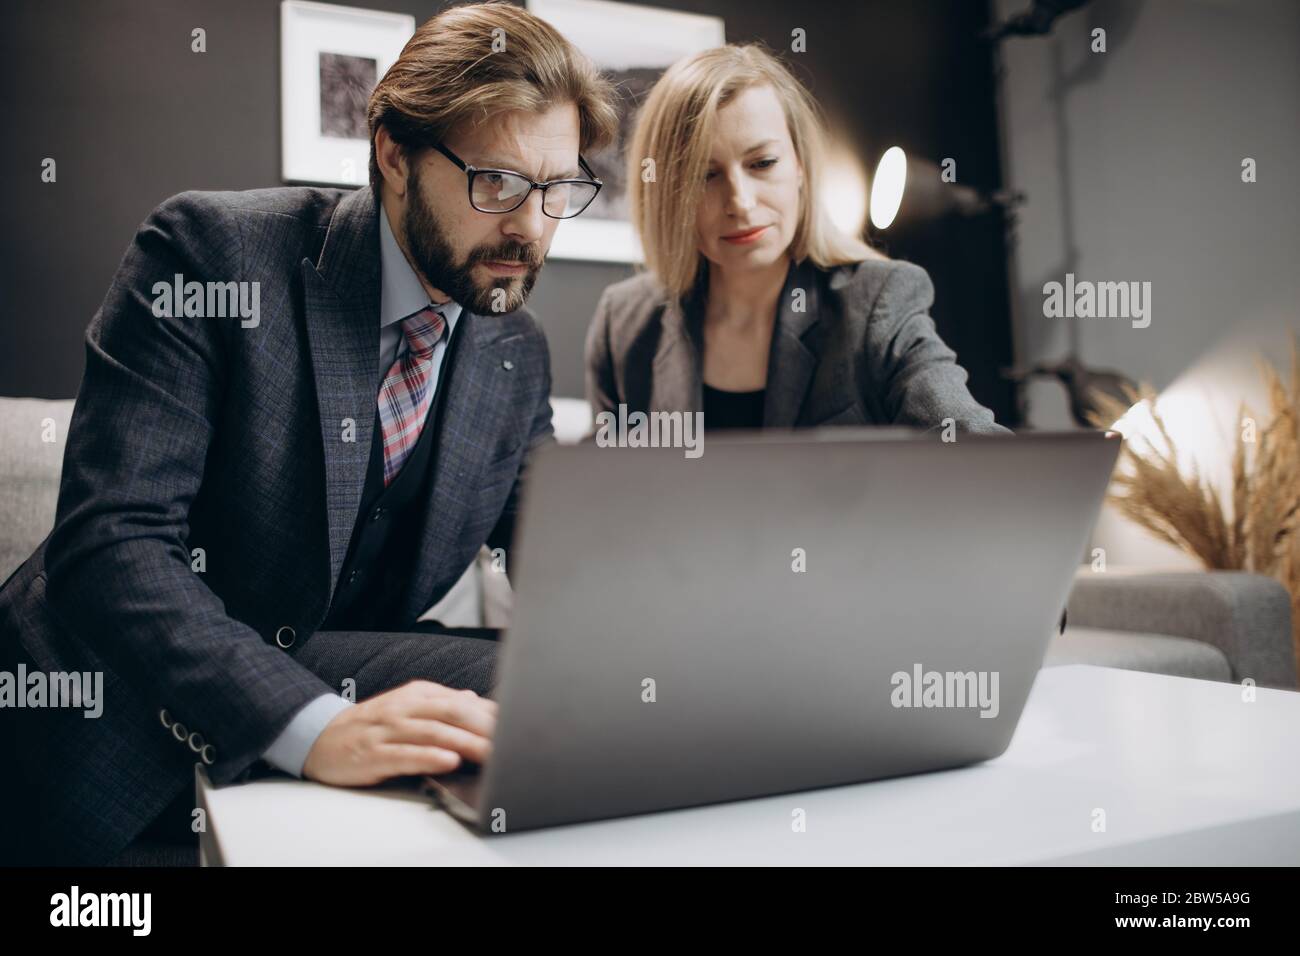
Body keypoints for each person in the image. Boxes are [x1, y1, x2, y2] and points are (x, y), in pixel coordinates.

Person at [0, 2, 618, 865]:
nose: (531, 226)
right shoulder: (210, 252)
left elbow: (559, 553)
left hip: (323, 708)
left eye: (559, 192)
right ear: (395, 153)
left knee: (558, 686)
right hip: (102, 739)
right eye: (499, 183)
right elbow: (112, 545)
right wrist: (314, 727)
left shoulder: (514, 345)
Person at [586, 44, 1010, 435]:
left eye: (762, 163)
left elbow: (974, 448)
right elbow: (605, 490)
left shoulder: (878, 301)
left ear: (801, 166)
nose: (741, 203)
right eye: (704, 175)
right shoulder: (623, 322)